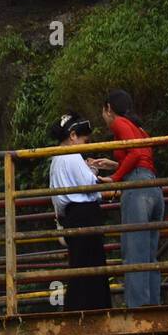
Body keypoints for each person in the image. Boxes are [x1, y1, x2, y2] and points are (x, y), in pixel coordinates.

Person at [92, 90, 163, 309]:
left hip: (137, 190)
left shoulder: (119, 123)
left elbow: (133, 155)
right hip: (153, 187)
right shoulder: (139, 129)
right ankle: (152, 306)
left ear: (108, 109)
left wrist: (115, 178)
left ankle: (137, 310)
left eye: (103, 111)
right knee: (149, 254)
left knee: (134, 252)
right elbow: (142, 158)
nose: (104, 116)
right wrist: (114, 165)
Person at [49, 114, 113, 311]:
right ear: (73, 135)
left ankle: (79, 310)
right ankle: (90, 310)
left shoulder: (56, 159)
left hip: (70, 215)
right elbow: (89, 185)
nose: (87, 146)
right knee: (91, 267)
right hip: (84, 213)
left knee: (80, 266)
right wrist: (104, 178)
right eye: (86, 141)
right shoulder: (72, 155)